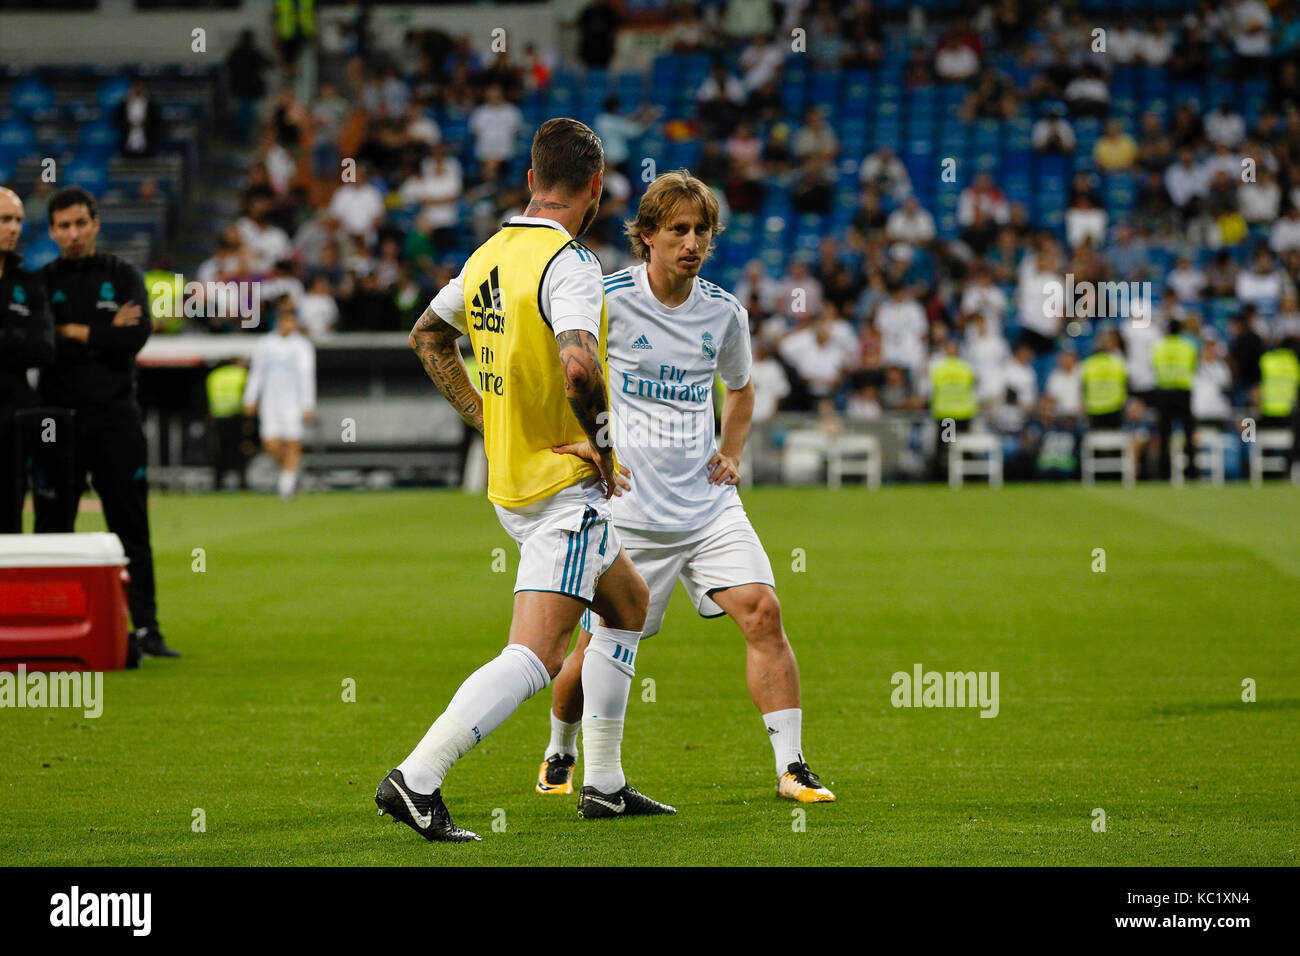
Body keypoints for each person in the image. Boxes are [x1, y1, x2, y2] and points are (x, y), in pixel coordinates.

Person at [376, 118, 668, 843]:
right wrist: (603, 442)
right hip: (560, 490)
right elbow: (578, 365)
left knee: (627, 604)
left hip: (514, 481)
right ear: (596, 188)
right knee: (538, 655)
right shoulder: (568, 264)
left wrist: (484, 415)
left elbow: (427, 336)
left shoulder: (487, 255)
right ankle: (417, 778)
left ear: (532, 179)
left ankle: (601, 783)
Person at [532, 170, 836, 805]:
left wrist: (730, 452)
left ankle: (792, 768)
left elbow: (743, 388)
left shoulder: (725, 313)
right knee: (590, 653)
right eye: (678, 230)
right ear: (646, 235)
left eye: (702, 230)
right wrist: (585, 443)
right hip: (630, 511)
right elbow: (567, 371)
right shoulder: (609, 300)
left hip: (707, 508)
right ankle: (561, 746)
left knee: (764, 610)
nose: (692, 242)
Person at [37, 186, 177, 662]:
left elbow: (135, 336)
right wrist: (103, 334)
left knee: (130, 527)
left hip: (117, 418)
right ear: (52, 231)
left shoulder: (122, 274)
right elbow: (39, 347)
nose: (72, 234)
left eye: (80, 223)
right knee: (53, 528)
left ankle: (147, 629)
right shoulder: (39, 282)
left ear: (95, 223)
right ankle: (50, 627)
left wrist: (72, 331)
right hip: (57, 424)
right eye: (63, 226)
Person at [0, 187, 55, 532]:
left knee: (8, 517)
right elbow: (28, 346)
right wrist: (13, 341)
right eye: (5, 219)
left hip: (13, 418)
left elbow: (44, 350)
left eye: (18, 220)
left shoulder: (31, 284)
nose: (14, 228)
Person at [242, 303, 315, 500]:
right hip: (270, 403)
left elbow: (306, 375)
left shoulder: (302, 345)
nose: (289, 325)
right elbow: (256, 372)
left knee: (293, 443)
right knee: (270, 444)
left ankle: (286, 485)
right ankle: (291, 474)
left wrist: (307, 404)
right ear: (279, 322)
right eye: (286, 321)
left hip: (293, 402)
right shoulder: (265, 344)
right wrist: (250, 397)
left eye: (292, 321)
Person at [1151, 317, 1198, 481]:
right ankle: (1191, 472)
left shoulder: (1159, 347)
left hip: (1164, 393)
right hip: (1183, 393)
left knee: (1165, 435)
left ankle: (1164, 474)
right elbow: (1193, 366)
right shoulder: (1188, 347)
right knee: (1188, 433)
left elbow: (1155, 366)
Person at [206, 357, 252, 491]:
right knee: (239, 451)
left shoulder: (214, 376)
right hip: (237, 417)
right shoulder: (241, 374)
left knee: (219, 451)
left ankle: (217, 483)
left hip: (218, 418)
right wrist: (249, 420)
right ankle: (242, 482)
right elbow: (248, 397)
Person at [1081, 329, 1128, 430]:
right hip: (1114, 407)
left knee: (1097, 440)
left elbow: (1082, 387)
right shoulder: (1118, 362)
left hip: (1094, 408)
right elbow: (1126, 383)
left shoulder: (1088, 363)